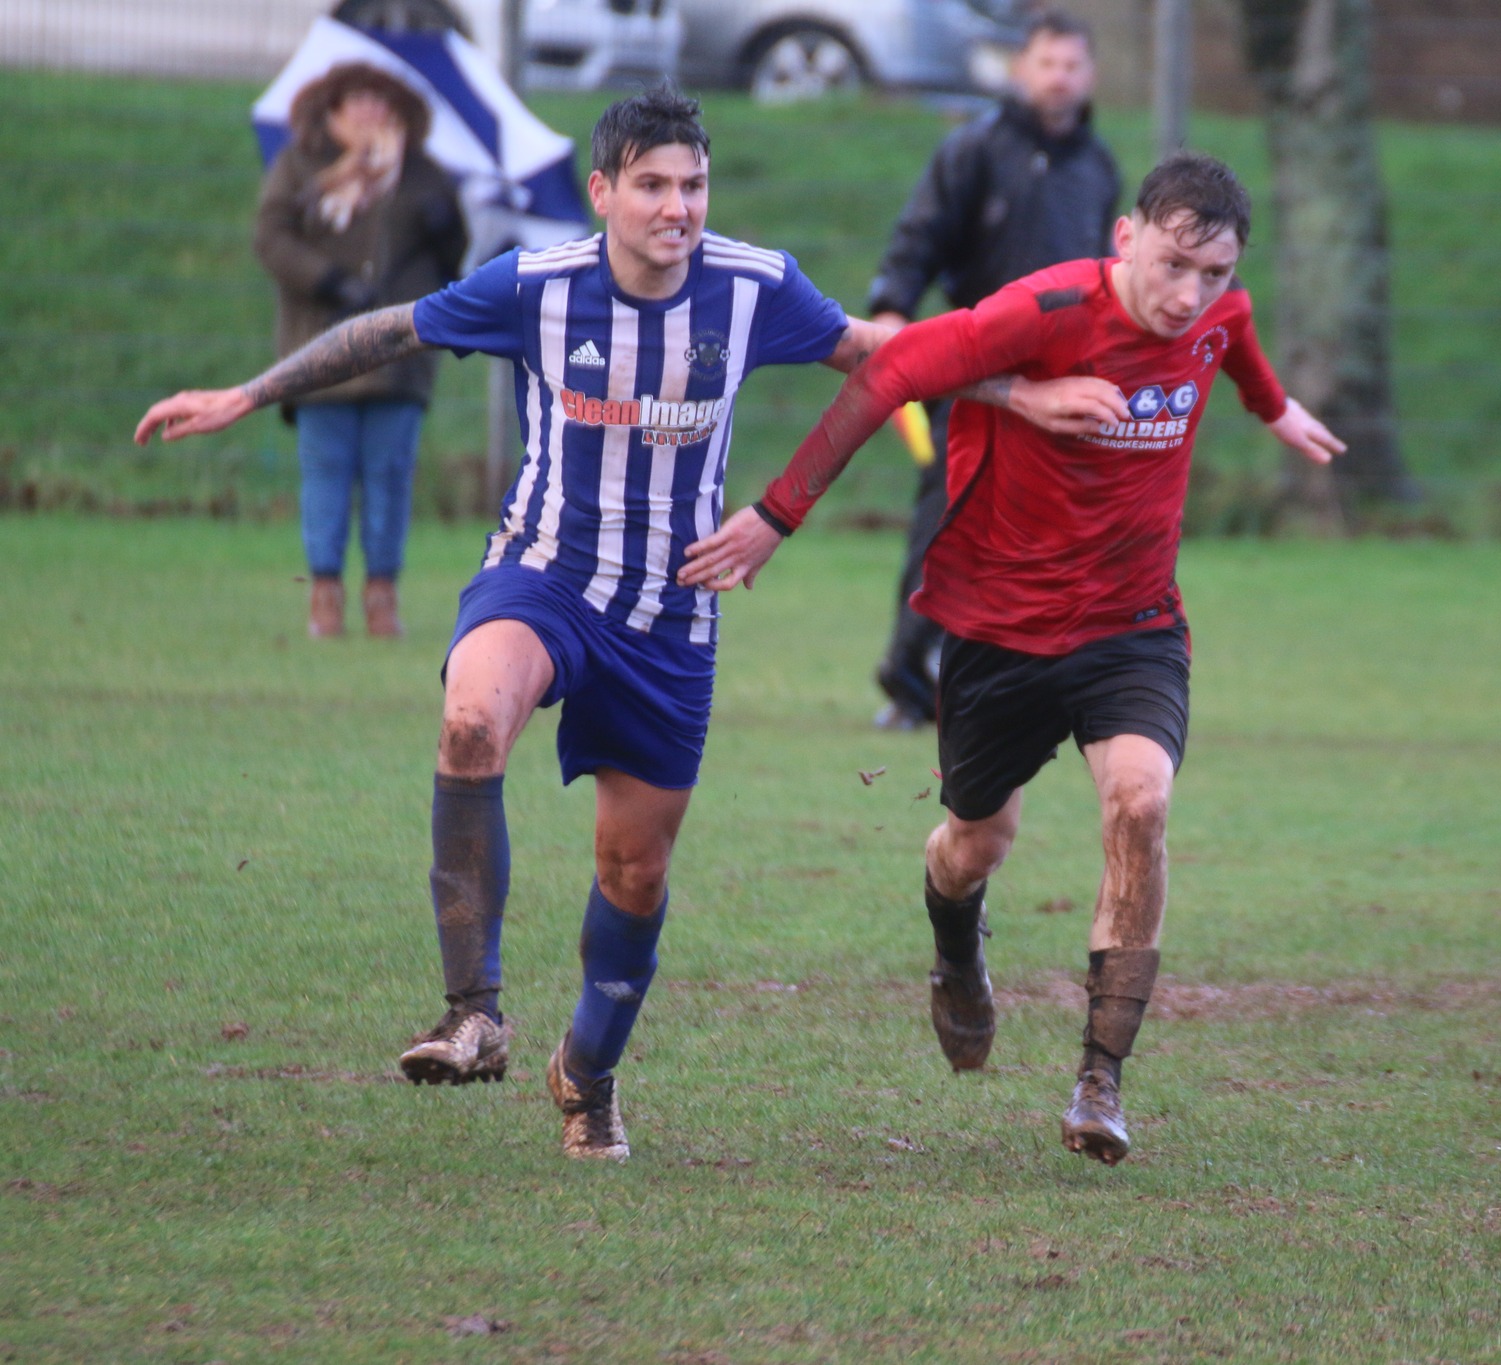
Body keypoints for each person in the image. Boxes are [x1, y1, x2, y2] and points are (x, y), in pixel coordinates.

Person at [137, 89, 942, 1161]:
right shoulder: (537, 287)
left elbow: (885, 360)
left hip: (669, 613)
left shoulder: (755, 288)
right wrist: (248, 391)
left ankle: (588, 1074)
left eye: (692, 185)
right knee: (470, 721)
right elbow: (391, 329)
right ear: (602, 192)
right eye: (650, 185)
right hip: (541, 577)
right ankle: (473, 1012)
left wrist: (1016, 380)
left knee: (633, 873)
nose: (676, 207)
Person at [682, 153, 1346, 1165]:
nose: (1189, 296)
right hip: (998, 633)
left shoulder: (1217, 313)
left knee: (1139, 801)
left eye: (1212, 273)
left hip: (1133, 625)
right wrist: (777, 515)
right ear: (1125, 238)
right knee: (971, 846)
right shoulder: (1043, 311)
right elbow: (892, 368)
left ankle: (1098, 1082)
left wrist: (1272, 410)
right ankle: (956, 946)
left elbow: (1236, 340)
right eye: (1172, 265)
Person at [866, 9, 1120, 728]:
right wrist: (890, 309)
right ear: (1021, 70)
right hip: (972, 373)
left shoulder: (1097, 169)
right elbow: (918, 237)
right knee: (946, 520)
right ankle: (911, 678)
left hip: (1064, 383)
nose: (1060, 77)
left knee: (1045, 535)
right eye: (1047, 63)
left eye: (1073, 64)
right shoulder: (974, 150)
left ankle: (1024, 683)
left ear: (1089, 75)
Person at [254, 62, 468, 638]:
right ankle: (324, 595)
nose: (371, 112)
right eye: (358, 101)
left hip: (400, 356)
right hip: (318, 353)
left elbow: (453, 262)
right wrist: (328, 281)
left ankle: (382, 597)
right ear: (332, 108)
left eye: (382, 101)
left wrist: (447, 227)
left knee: (390, 474)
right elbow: (272, 237)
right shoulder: (300, 165)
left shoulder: (425, 174)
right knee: (326, 472)